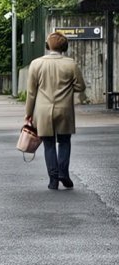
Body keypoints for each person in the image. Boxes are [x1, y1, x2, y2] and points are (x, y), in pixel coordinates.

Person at [24, 31, 86, 189]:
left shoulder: (36, 64)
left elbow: (31, 92)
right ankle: (63, 173)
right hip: (64, 109)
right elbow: (80, 86)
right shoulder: (70, 64)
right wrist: (67, 87)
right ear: (64, 47)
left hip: (43, 110)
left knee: (49, 144)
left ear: (47, 46)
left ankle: (53, 179)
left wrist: (28, 113)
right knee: (64, 141)